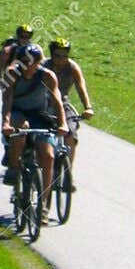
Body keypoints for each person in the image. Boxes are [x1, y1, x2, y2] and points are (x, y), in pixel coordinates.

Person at [1, 44, 69, 215]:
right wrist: (6, 123)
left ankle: (43, 204)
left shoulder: (47, 76)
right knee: (21, 129)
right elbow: (7, 99)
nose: (27, 65)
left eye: (31, 61)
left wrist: (63, 123)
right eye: (23, 61)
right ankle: (14, 167)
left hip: (39, 115)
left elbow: (57, 100)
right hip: (18, 112)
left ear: (39, 62)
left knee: (48, 156)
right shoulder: (12, 73)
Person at [43, 39, 94, 188]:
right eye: (57, 56)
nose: (61, 59)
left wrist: (88, 107)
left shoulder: (72, 67)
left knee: (70, 135)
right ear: (51, 55)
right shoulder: (43, 66)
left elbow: (81, 87)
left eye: (65, 56)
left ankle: (67, 175)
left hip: (63, 105)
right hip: (43, 104)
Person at [0, 24, 34, 89]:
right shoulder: (9, 48)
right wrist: (1, 85)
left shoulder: (32, 49)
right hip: (8, 71)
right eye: (22, 36)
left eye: (27, 37)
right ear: (18, 36)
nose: (24, 39)